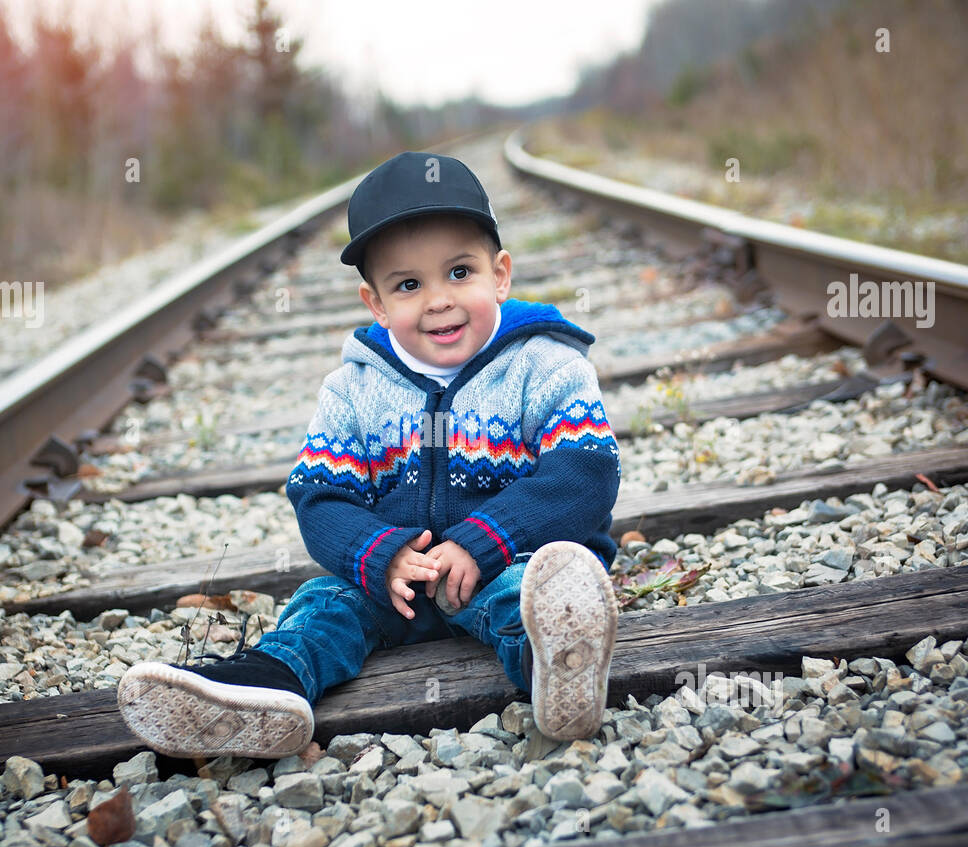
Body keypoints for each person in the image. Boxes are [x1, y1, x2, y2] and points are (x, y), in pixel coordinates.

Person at [118, 151, 621, 761]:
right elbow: (319, 496)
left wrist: (485, 539)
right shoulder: (354, 388)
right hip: (394, 586)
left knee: (524, 602)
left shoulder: (544, 365)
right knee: (322, 609)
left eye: (459, 272)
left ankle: (559, 667)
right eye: (409, 285)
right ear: (376, 304)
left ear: (501, 275)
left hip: (506, 563)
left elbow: (585, 470)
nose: (438, 300)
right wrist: (377, 557)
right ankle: (264, 691)